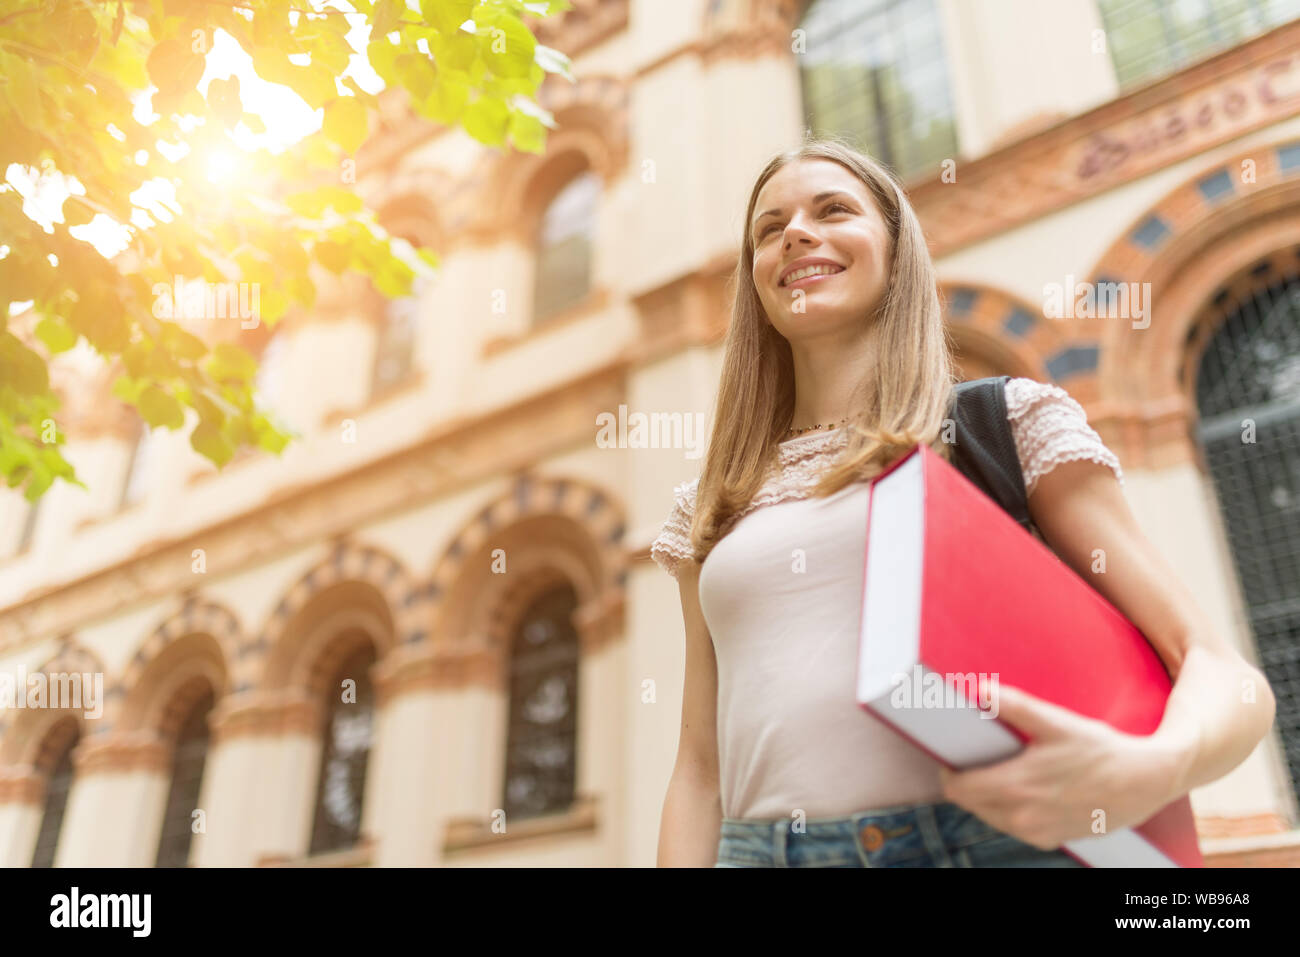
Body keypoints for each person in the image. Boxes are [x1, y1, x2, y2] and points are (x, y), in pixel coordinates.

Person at [650, 137, 1277, 868]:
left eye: (833, 210)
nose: (795, 233)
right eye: (769, 227)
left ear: (894, 253)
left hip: (985, 847)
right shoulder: (711, 502)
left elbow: (1219, 669)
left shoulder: (1002, 425)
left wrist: (1151, 768)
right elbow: (699, 768)